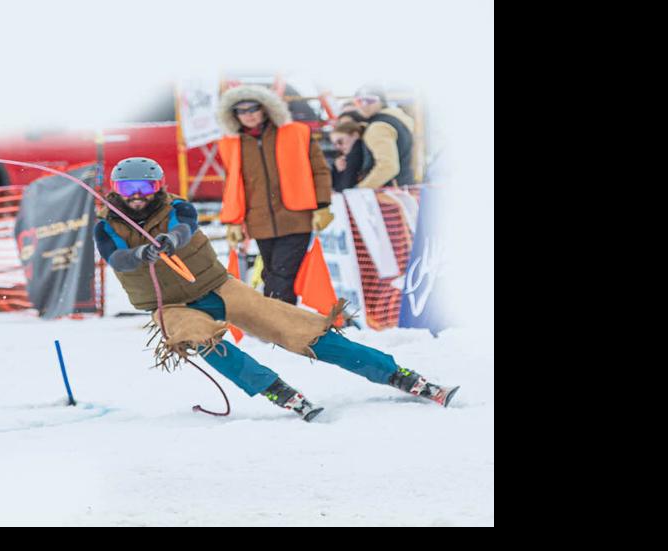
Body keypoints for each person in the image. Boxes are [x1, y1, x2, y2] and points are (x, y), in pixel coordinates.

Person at [93, 158, 459, 420]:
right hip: (171, 305)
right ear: (117, 190)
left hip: (218, 286)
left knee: (297, 327)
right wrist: (141, 252)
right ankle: (276, 389)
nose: (137, 195)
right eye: (128, 188)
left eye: (146, 187)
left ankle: (395, 373)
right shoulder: (107, 225)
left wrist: (169, 241)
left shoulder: (178, 207)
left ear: (159, 187)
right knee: (202, 340)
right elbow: (117, 259)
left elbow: (183, 226)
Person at [216, 85, 333, 306]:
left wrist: (322, 205)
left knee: (282, 276)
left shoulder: (297, 132)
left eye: (253, 108)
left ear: (266, 109)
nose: (248, 114)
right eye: (241, 110)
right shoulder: (231, 144)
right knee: (271, 274)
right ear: (233, 115)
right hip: (259, 222)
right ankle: (280, 327)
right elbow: (234, 185)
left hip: (296, 218)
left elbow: (319, 170)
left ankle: (281, 328)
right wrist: (234, 221)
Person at [351, 85, 418, 189]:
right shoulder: (399, 121)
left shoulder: (378, 126)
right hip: (404, 186)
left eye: (369, 101)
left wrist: (361, 189)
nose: (364, 105)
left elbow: (387, 167)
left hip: (386, 191)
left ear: (381, 101)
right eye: (359, 102)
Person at [330, 118, 367, 192]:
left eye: (340, 141)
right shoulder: (347, 156)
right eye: (335, 144)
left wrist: (340, 172)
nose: (338, 146)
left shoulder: (355, 154)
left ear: (355, 135)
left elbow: (344, 188)